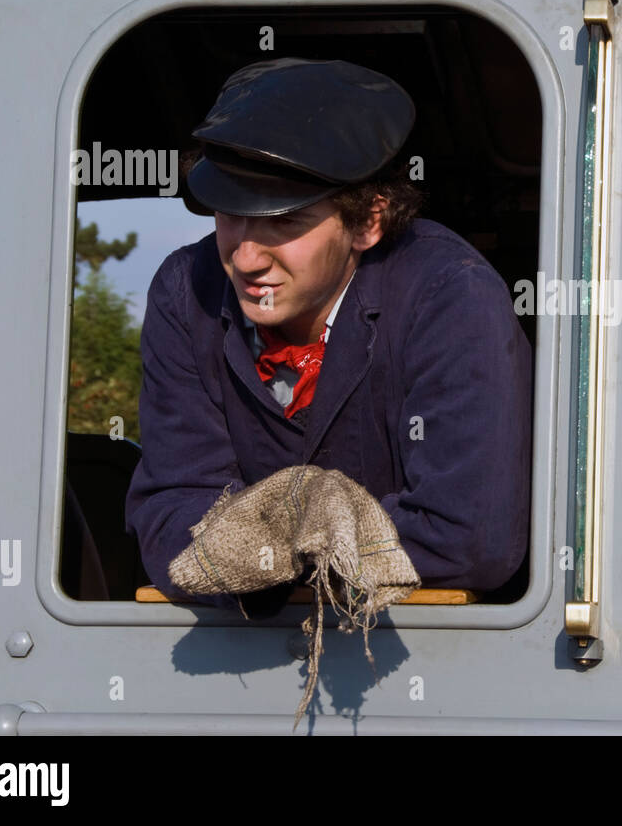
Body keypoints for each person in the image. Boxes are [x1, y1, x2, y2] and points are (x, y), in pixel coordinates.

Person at [124, 58, 532, 615]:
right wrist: (314, 533)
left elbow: (469, 537)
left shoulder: (449, 294)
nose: (245, 257)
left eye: (284, 221)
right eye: (229, 214)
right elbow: (169, 515)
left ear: (368, 221)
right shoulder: (183, 292)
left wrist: (280, 537)